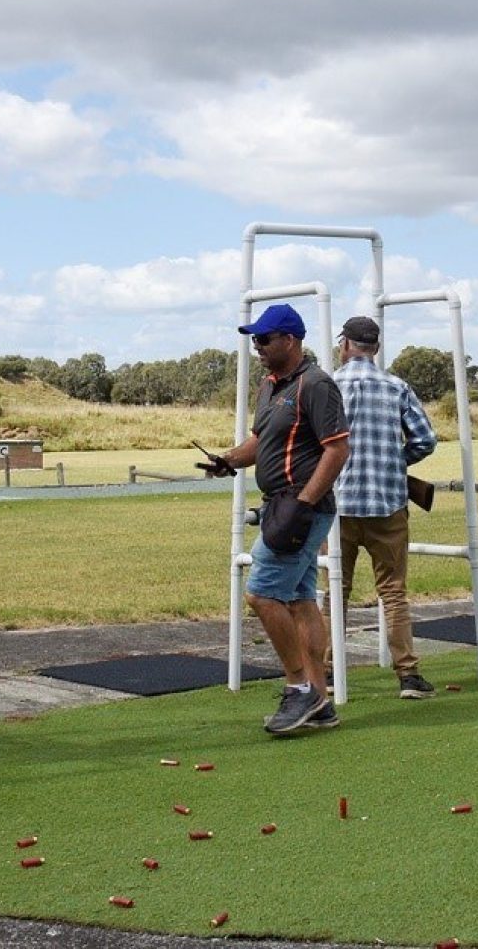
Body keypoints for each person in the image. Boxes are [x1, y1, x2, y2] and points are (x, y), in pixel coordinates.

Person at [200, 304, 349, 734]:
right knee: (301, 599)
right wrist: (228, 461)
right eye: (254, 339)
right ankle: (320, 703)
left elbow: (337, 450)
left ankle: (299, 688)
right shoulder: (269, 385)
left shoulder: (317, 385)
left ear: (291, 340)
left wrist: (303, 504)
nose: (257, 347)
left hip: (298, 507)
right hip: (280, 504)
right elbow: (260, 440)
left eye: (264, 339)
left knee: (262, 593)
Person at [329, 315, 439, 699]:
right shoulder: (397, 387)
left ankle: (326, 671)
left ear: (344, 345)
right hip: (389, 503)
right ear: (375, 348)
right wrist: (395, 462)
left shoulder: (329, 386)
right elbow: (426, 439)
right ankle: (408, 675)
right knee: (393, 593)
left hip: (337, 507)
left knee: (334, 592)